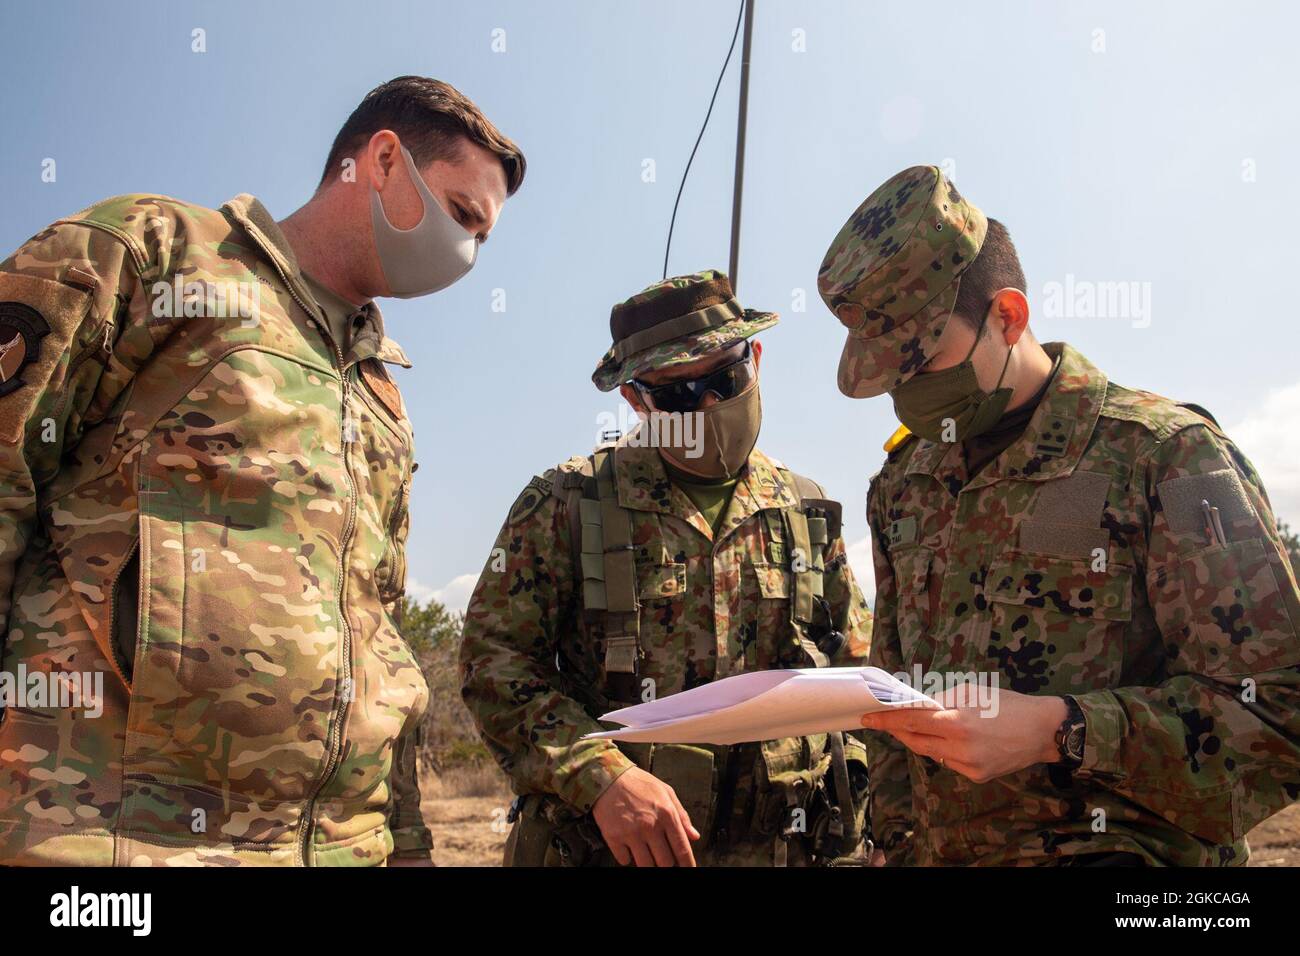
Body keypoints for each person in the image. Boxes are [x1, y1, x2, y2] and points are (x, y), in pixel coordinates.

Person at [0, 75, 525, 866]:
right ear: (383, 162)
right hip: (114, 842)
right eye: (462, 216)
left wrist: (403, 842)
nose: (468, 255)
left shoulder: (382, 392)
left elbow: (379, 633)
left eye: (483, 239)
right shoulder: (159, 254)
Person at [818, 165, 1300, 866]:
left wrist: (1062, 729)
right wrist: (892, 841)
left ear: (1007, 316)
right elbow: (895, 706)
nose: (908, 394)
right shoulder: (904, 487)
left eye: (923, 362)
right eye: (890, 374)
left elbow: (1280, 714)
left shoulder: (1167, 457)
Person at [459, 270, 874, 866]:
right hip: (617, 851)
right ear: (635, 398)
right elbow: (491, 664)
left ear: (755, 358)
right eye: (678, 395)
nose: (707, 405)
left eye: (725, 379)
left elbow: (855, 672)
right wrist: (597, 776)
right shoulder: (568, 501)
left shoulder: (803, 510)